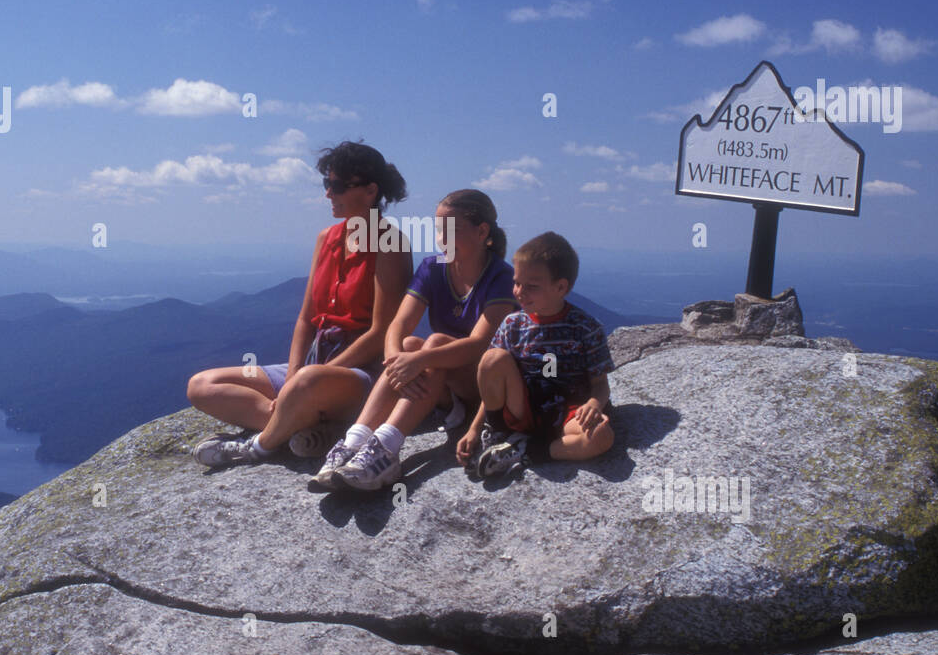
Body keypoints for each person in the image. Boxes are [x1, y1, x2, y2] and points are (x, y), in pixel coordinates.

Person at [189, 141, 411, 466]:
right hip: (311, 366)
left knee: (307, 383)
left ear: (370, 190)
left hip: (361, 373)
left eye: (336, 186)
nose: (327, 194)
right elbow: (307, 319)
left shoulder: (389, 245)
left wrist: (306, 379)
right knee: (202, 385)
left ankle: (260, 445)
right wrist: (293, 375)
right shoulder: (327, 239)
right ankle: (300, 426)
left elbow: (381, 333)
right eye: (327, 184)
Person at [315, 189, 518, 491]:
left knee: (430, 344)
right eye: (438, 230)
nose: (441, 238)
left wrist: (420, 360)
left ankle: (385, 449)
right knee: (409, 346)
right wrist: (399, 363)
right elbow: (397, 325)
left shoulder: (501, 276)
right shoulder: (433, 268)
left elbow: (479, 344)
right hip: (445, 381)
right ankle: (354, 442)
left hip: (483, 385)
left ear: (482, 231)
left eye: (451, 230)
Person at [457, 231, 617, 478]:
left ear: (560, 287)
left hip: (567, 410)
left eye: (531, 286)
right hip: (523, 407)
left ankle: (525, 450)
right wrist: (474, 429)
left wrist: (595, 403)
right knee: (492, 359)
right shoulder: (513, 324)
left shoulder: (586, 327)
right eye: (517, 282)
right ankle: (498, 434)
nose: (519, 292)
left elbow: (600, 384)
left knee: (601, 436)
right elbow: (493, 379)